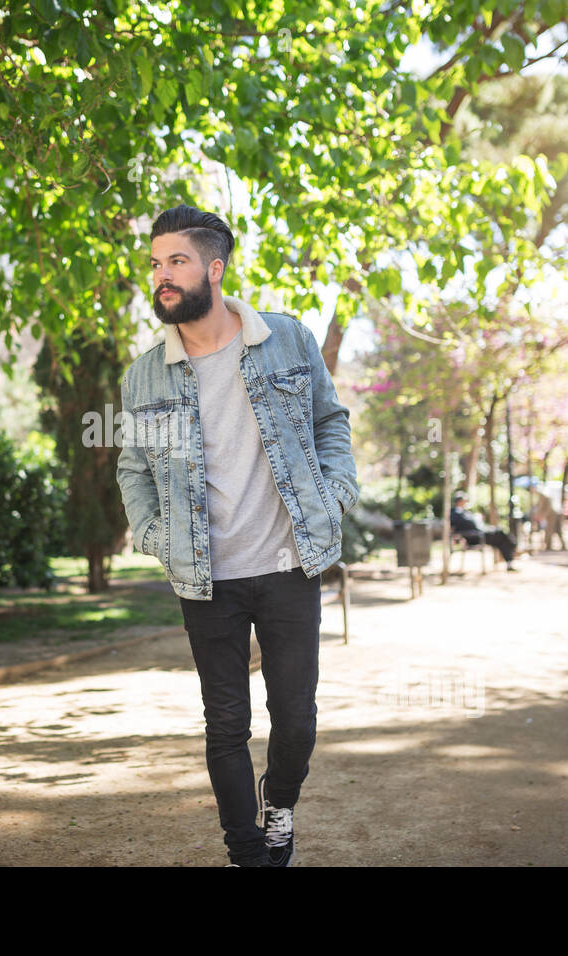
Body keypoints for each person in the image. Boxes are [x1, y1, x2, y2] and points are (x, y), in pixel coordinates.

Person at [116, 204, 359, 868]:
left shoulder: (285, 339)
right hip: (204, 575)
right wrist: (156, 536)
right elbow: (132, 466)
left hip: (289, 563)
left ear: (214, 269)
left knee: (296, 719)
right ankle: (248, 851)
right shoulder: (144, 375)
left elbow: (329, 421)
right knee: (225, 724)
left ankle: (278, 803)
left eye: (177, 262)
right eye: (156, 264)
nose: (162, 277)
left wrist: (337, 494)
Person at [450, 491, 519, 571]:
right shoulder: (455, 513)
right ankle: (514, 546)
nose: (465, 503)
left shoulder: (464, 512)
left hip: (478, 533)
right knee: (501, 533)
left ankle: (509, 562)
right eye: (464, 501)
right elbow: (467, 524)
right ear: (460, 501)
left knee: (501, 538)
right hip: (475, 536)